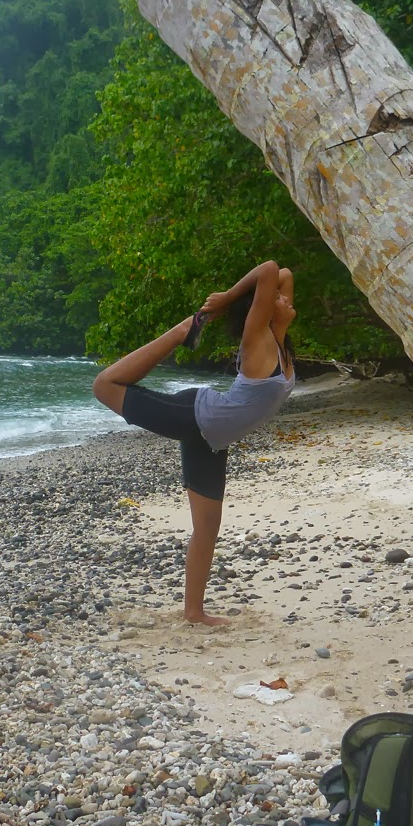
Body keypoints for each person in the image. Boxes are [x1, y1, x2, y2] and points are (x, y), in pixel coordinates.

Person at [92, 260, 297, 625]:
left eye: (282, 298)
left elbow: (283, 276)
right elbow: (269, 270)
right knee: (104, 387)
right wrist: (228, 299)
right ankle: (180, 332)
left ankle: (194, 612)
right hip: (195, 415)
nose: (285, 297)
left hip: (213, 440)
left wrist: (262, 296)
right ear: (261, 310)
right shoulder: (258, 339)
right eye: (277, 299)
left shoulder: (280, 343)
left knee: (207, 527)